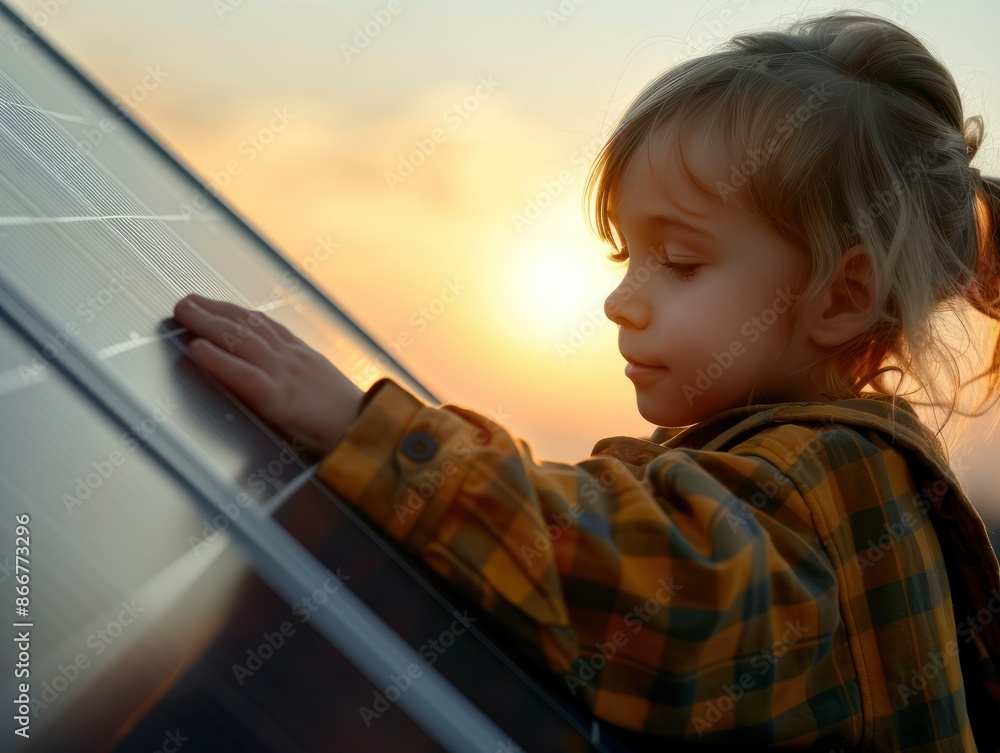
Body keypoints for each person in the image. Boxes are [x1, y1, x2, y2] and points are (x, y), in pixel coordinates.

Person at [171, 10, 1000, 751]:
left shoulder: (825, 483)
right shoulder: (796, 465)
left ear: (842, 297)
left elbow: (661, 606)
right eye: (626, 257)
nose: (619, 301)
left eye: (679, 262)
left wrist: (374, 434)